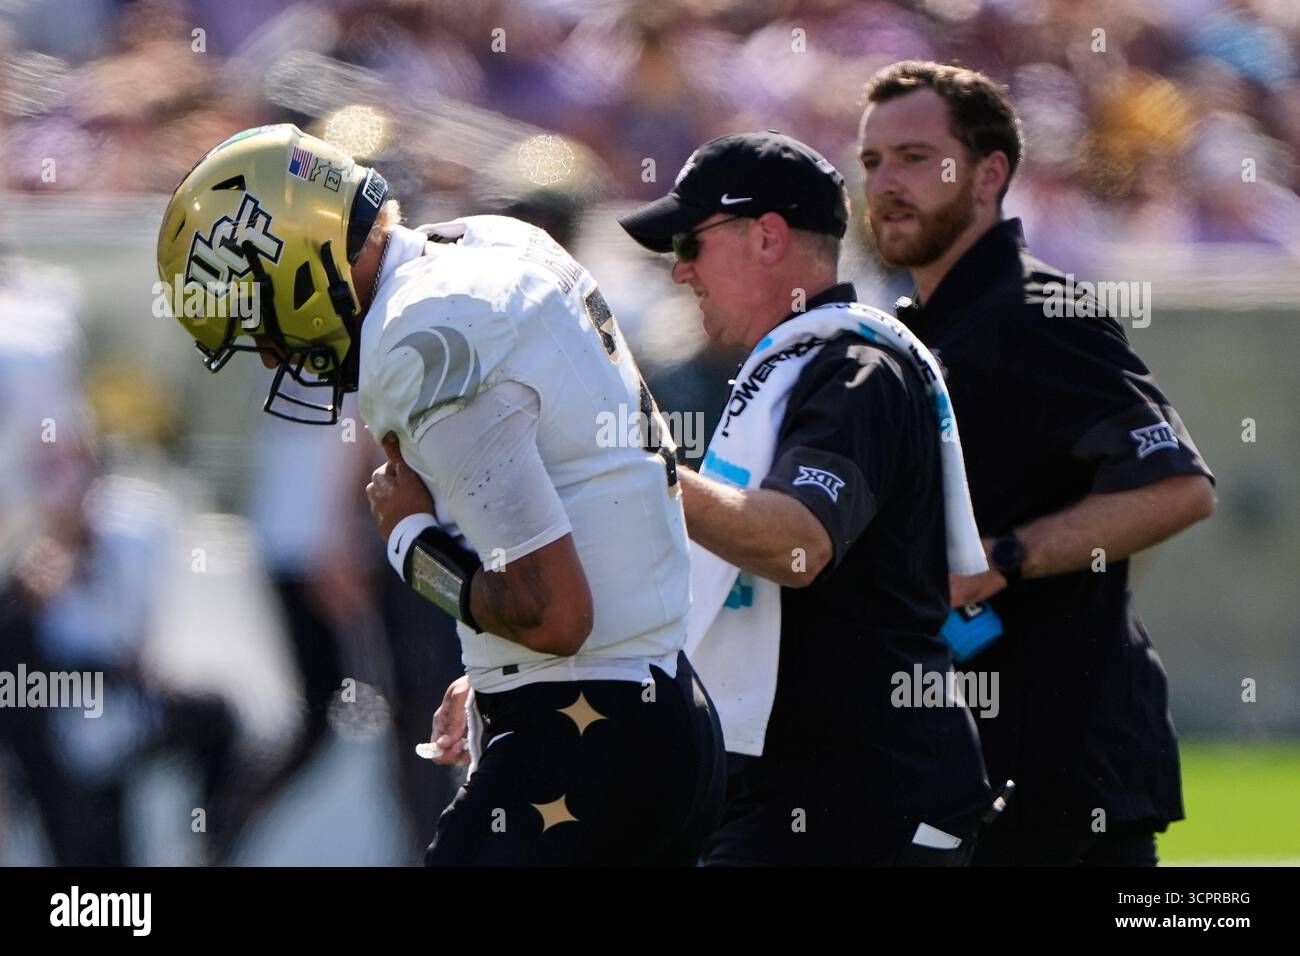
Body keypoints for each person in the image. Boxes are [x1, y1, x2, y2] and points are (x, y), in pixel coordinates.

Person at [157, 124, 724, 865]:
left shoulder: (418, 333)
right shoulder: (488, 244)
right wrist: (490, 673)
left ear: (299, 257)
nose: (269, 350)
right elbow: (581, 494)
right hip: (660, 704)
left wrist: (407, 539)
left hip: (584, 730)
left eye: (258, 318)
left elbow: (554, 614)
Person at [857, 60, 1216, 866]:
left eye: (916, 157)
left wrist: (1002, 559)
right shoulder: (917, 326)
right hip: (963, 763)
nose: (885, 182)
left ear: (989, 173)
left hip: (1060, 775)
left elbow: (1177, 488)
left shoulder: (1035, 310)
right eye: (873, 161)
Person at [619, 131, 995, 865]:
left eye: (689, 244)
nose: (681, 273)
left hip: (861, 797)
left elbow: (798, 543)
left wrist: (634, 468)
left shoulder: (855, 369)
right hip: (797, 790)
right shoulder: (798, 369)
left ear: (767, 238)